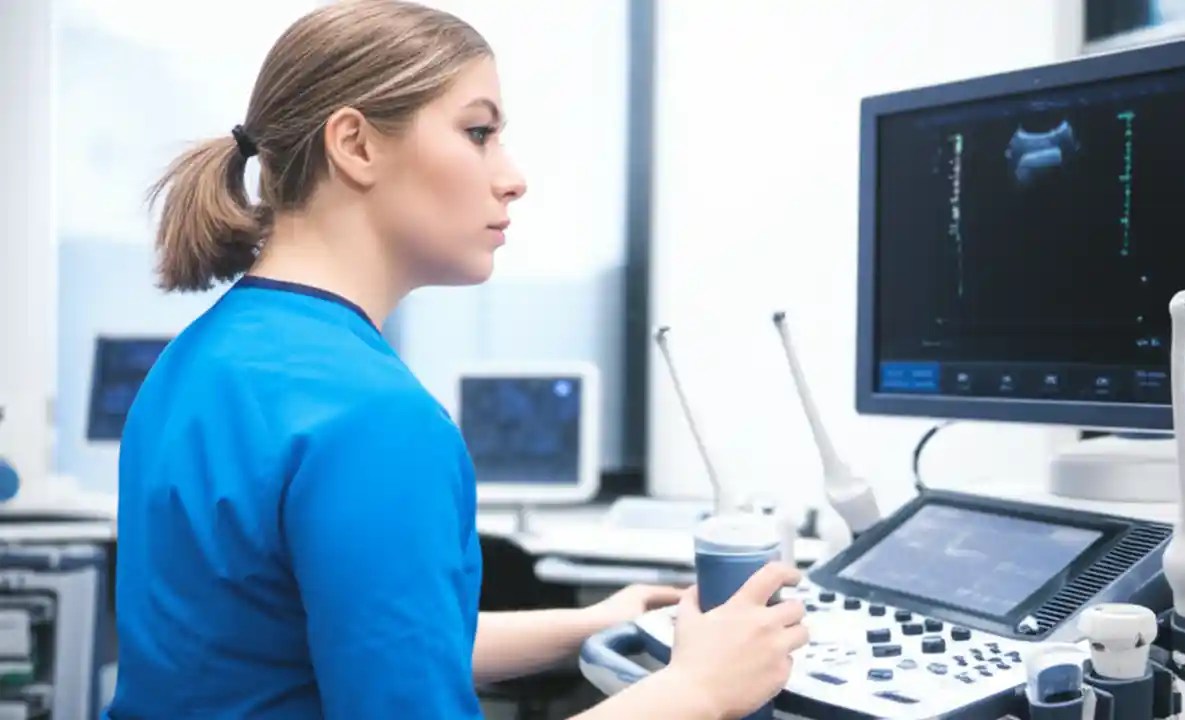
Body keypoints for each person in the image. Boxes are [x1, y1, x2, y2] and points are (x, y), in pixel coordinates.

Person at [107, 2, 809, 719]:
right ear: (355, 144)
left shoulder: (196, 360)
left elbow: (333, 642)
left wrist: (595, 622)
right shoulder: (373, 418)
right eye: (479, 133)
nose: (512, 178)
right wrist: (700, 690)